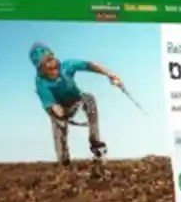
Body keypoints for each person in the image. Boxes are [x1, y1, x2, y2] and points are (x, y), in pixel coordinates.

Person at [30, 43, 120, 175]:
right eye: (47, 62)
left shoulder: (67, 66)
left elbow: (90, 65)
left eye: (52, 58)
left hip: (75, 101)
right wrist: (62, 115)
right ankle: (64, 162)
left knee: (89, 98)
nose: (53, 64)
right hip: (56, 109)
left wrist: (111, 75)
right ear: (40, 68)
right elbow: (54, 107)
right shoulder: (41, 83)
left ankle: (96, 145)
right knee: (59, 128)